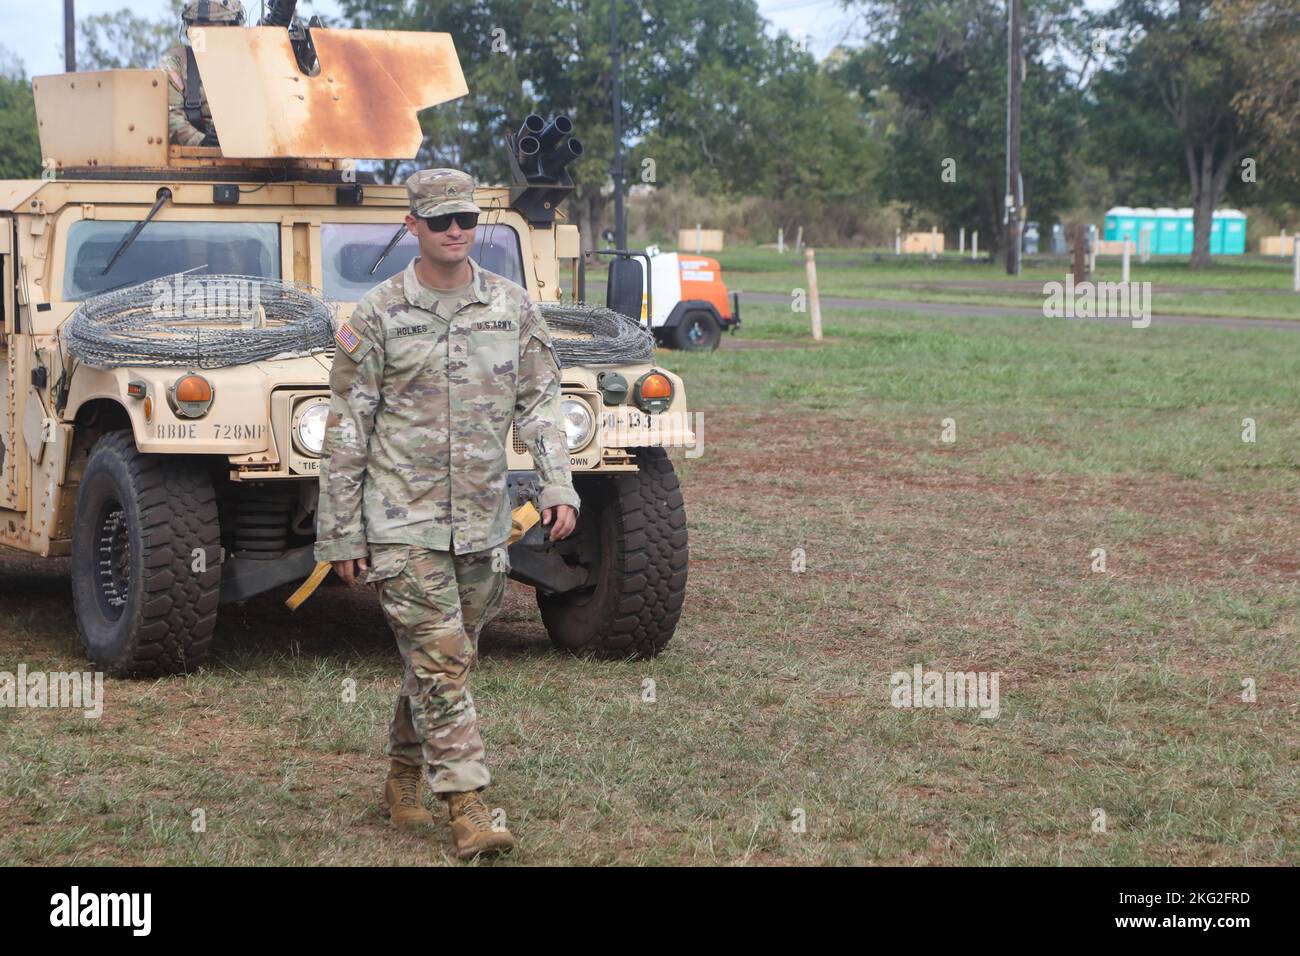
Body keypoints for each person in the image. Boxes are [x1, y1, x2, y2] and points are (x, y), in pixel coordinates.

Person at [314, 168, 580, 860]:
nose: (456, 231)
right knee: (441, 656)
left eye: (465, 218)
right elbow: (347, 430)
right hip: (401, 523)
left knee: (444, 662)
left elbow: (542, 405)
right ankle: (468, 804)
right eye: (440, 222)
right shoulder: (375, 315)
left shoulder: (512, 307)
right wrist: (340, 531)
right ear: (413, 229)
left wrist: (557, 485)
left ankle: (403, 775)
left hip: (485, 525)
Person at [158, 1, 246, 147]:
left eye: (212, 24)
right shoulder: (175, 63)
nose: (204, 31)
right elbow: (169, 116)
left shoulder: (249, 63)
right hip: (196, 159)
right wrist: (200, 141)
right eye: (198, 24)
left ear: (231, 27)